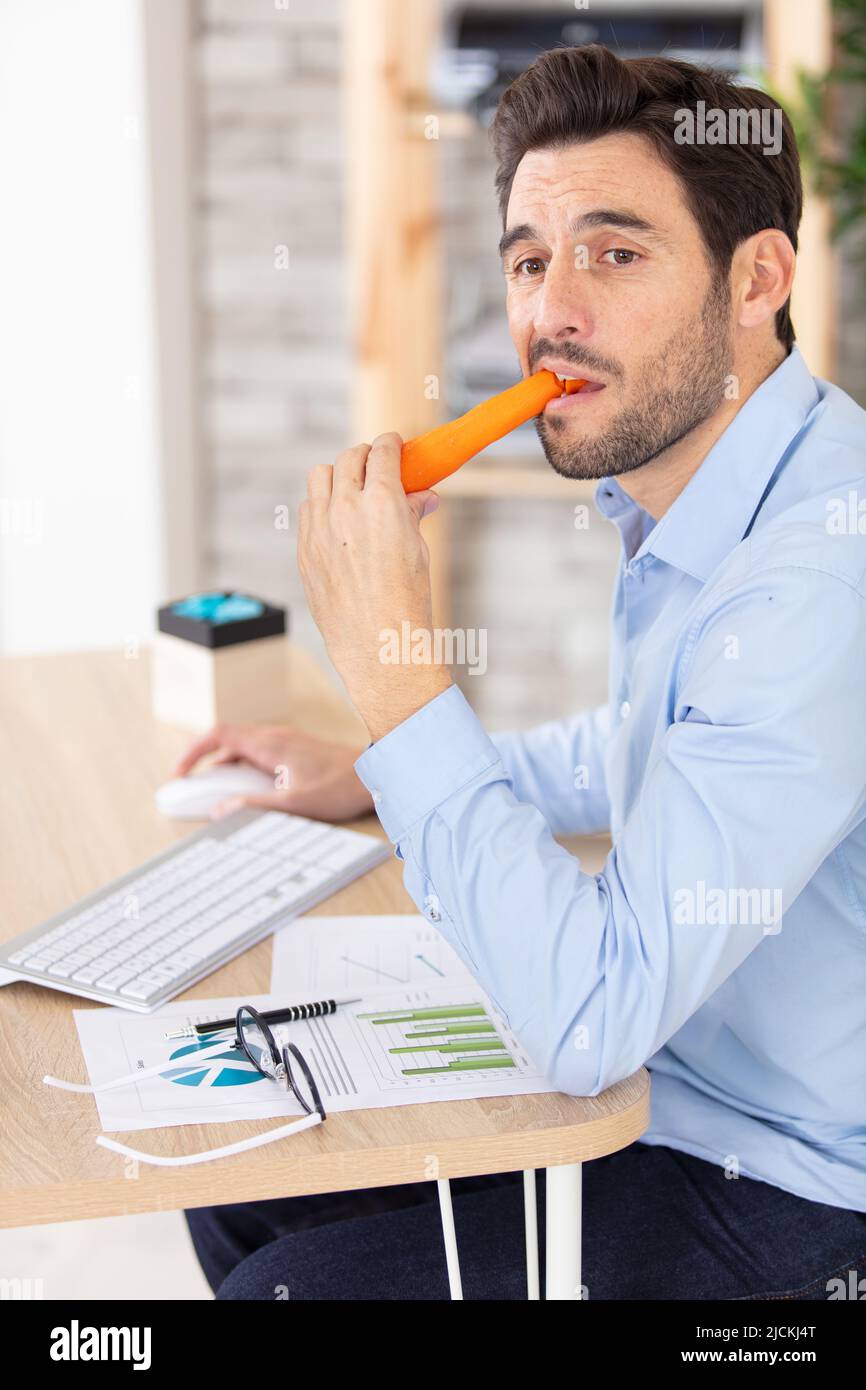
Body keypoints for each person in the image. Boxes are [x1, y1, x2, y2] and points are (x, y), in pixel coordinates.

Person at [181, 46, 866, 1299]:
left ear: (757, 278)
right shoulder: (705, 488)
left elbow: (587, 1019)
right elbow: (658, 735)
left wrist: (396, 674)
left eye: (613, 253)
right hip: (666, 1088)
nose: (552, 310)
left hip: (786, 1186)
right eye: (527, 259)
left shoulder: (820, 573)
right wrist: (370, 767)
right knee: (235, 1163)